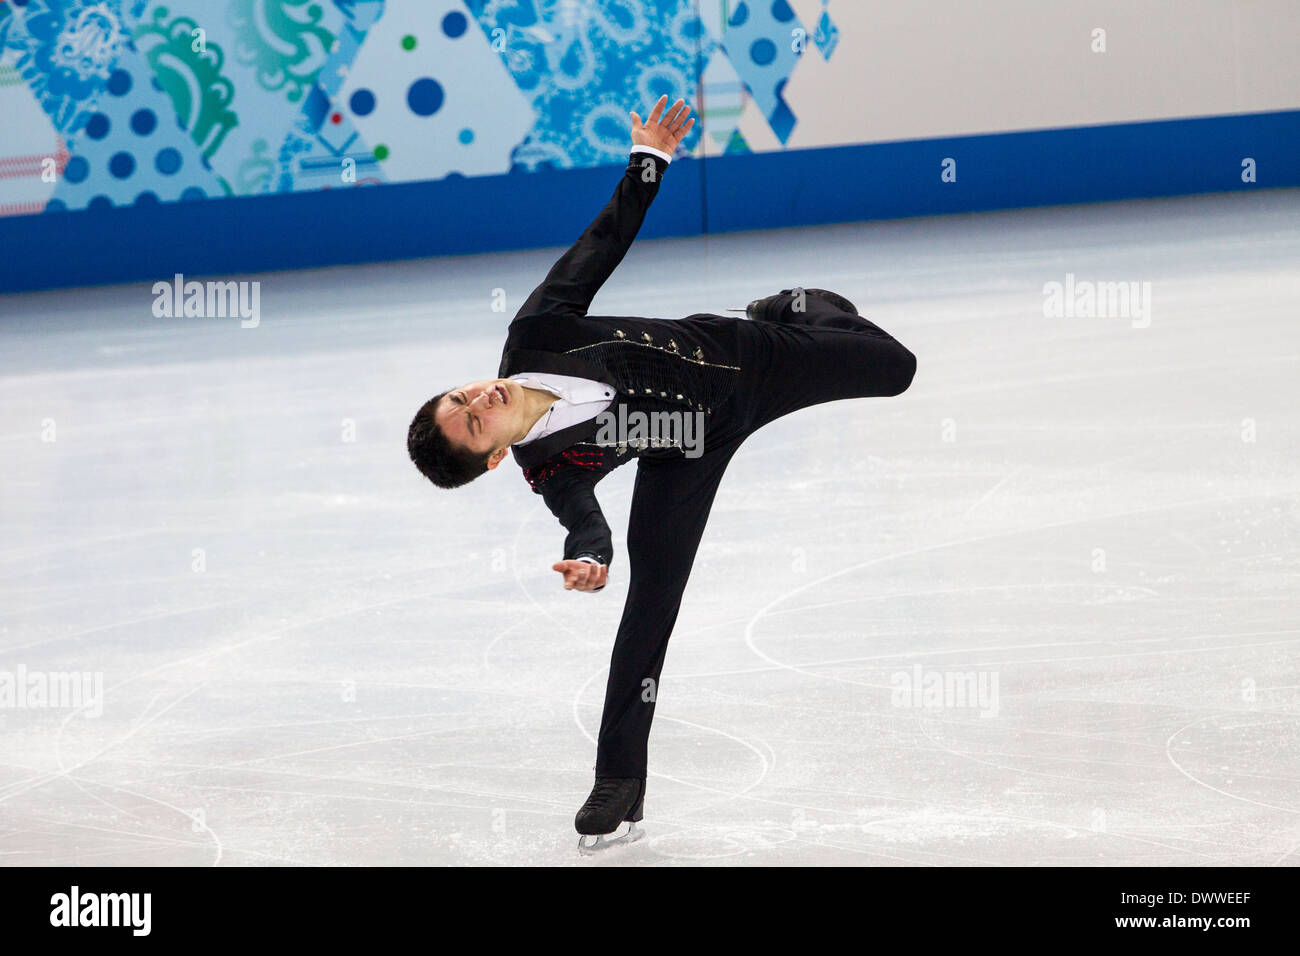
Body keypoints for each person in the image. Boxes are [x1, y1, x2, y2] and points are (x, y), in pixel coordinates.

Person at [407, 95, 917, 851]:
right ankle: (619, 779)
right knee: (650, 600)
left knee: (896, 369)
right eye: (474, 418)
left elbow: (600, 245)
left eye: (462, 394)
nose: (480, 396)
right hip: (687, 455)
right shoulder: (550, 466)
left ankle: (799, 306)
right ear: (489, 456)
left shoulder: (537, 331)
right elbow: (585, 520)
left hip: (748, 361)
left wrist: (649, 161)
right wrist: (589, 558)